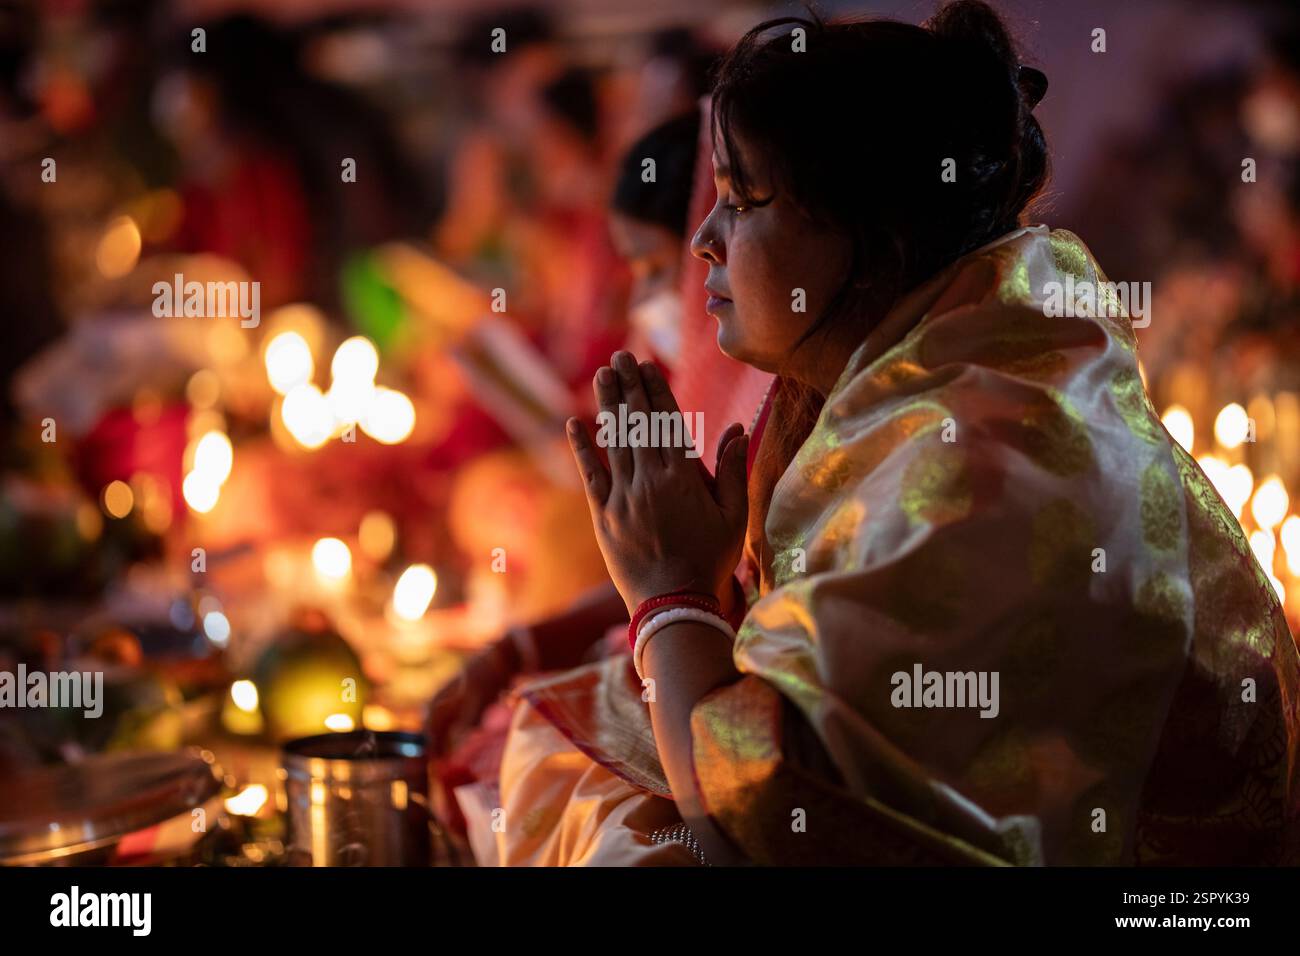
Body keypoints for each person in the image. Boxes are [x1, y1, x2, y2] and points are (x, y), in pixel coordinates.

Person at [489, 2, 1300, 866]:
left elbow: (765, 808)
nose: (702, 241)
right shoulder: (924, 361)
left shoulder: (982, 456)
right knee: (553, 738)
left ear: (868, 235)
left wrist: (668, 590)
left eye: (742, 199)